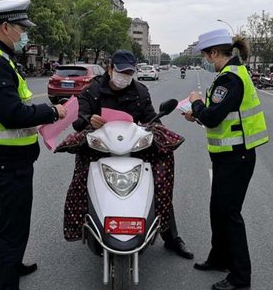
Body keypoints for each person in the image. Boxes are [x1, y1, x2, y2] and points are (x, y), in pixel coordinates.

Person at [0, 0, 67, 290]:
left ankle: (13, 265)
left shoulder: (0, 58)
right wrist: (51, 111)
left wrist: (43, 110)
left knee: (15, 219)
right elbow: (11, 113)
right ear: (6, 27)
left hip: (11, 158)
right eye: (22, 28)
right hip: (4, 159)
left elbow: (17, 106)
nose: (25, 34)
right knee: (11, 224)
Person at [63, 49, 193, 259]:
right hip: (100, 148)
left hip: (133, 148)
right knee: (80, 179)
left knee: (160, 179)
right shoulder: (93, 89)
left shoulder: (140, 91)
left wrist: (153, 129)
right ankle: (81, 227)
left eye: (129, 73)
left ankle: (171, 237)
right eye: (121, 72)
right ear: (110, 68)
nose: (124, 77)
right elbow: (78, 120)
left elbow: (152, 119)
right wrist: (89, 119)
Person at [184, 29, 268, 290]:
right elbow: (217, 113)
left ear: (214, 53)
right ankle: (219, 258)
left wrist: (197, 104)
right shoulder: (232, 74)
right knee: (217, 210)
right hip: (228, 156)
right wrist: (197, 114)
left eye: (205, 55)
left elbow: (212, 117)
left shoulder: (229, 79)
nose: (205, 60)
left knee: (229, 214)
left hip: (236, 157)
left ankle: (240, 276)